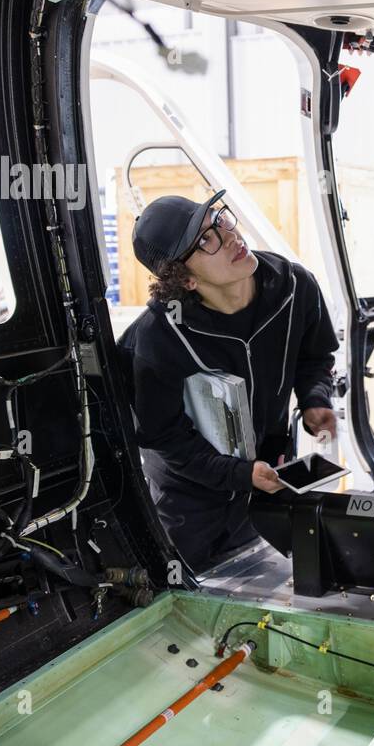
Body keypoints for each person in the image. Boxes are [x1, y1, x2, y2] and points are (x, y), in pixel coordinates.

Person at [118, 190, 339, 572]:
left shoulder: (294, 287)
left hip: (264, 477)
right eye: (206, 239)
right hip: (189, 502)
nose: (230, 236)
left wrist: (314, 398)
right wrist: (238, 475)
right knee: (189, 591)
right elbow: (166, 438)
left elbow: (314, 357)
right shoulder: (158, 338)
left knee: (262, 578)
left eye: (219, 220)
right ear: (185, 278)